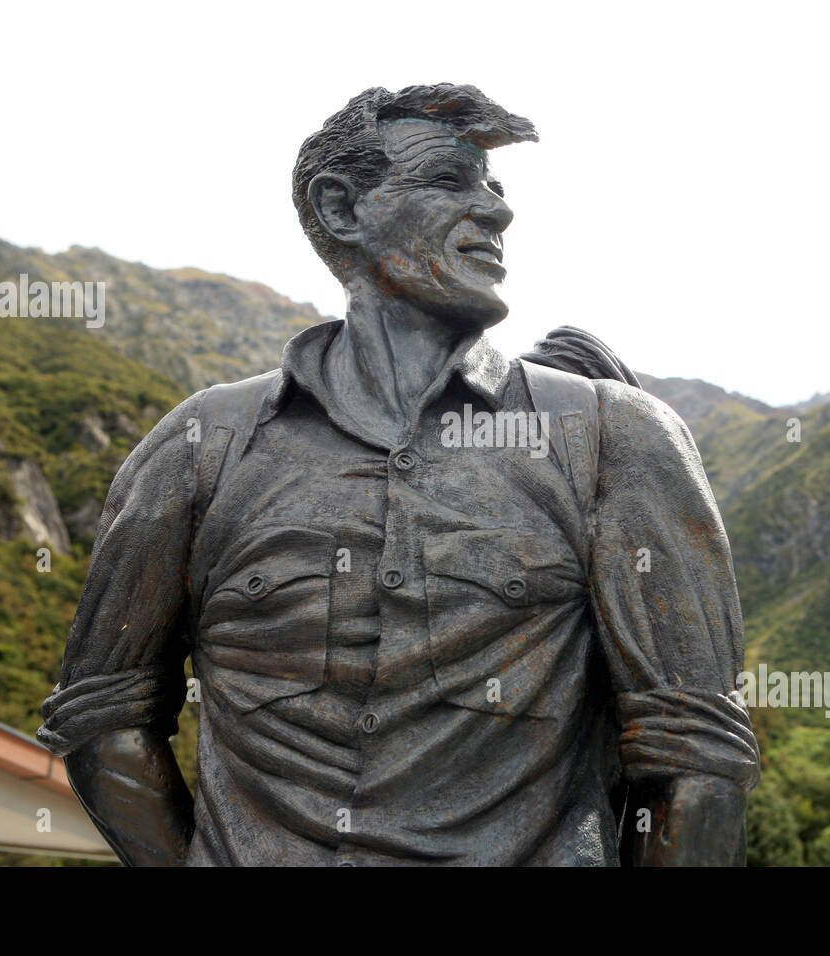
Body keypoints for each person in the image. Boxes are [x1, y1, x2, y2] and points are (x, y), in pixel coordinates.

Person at [39, 83, 759, 866]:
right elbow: (102, 717)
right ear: (343, 207)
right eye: (451, 182)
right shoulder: (199, 445)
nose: (497, 212)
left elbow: (696, 760)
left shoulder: (614, 437)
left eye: (495, 188)